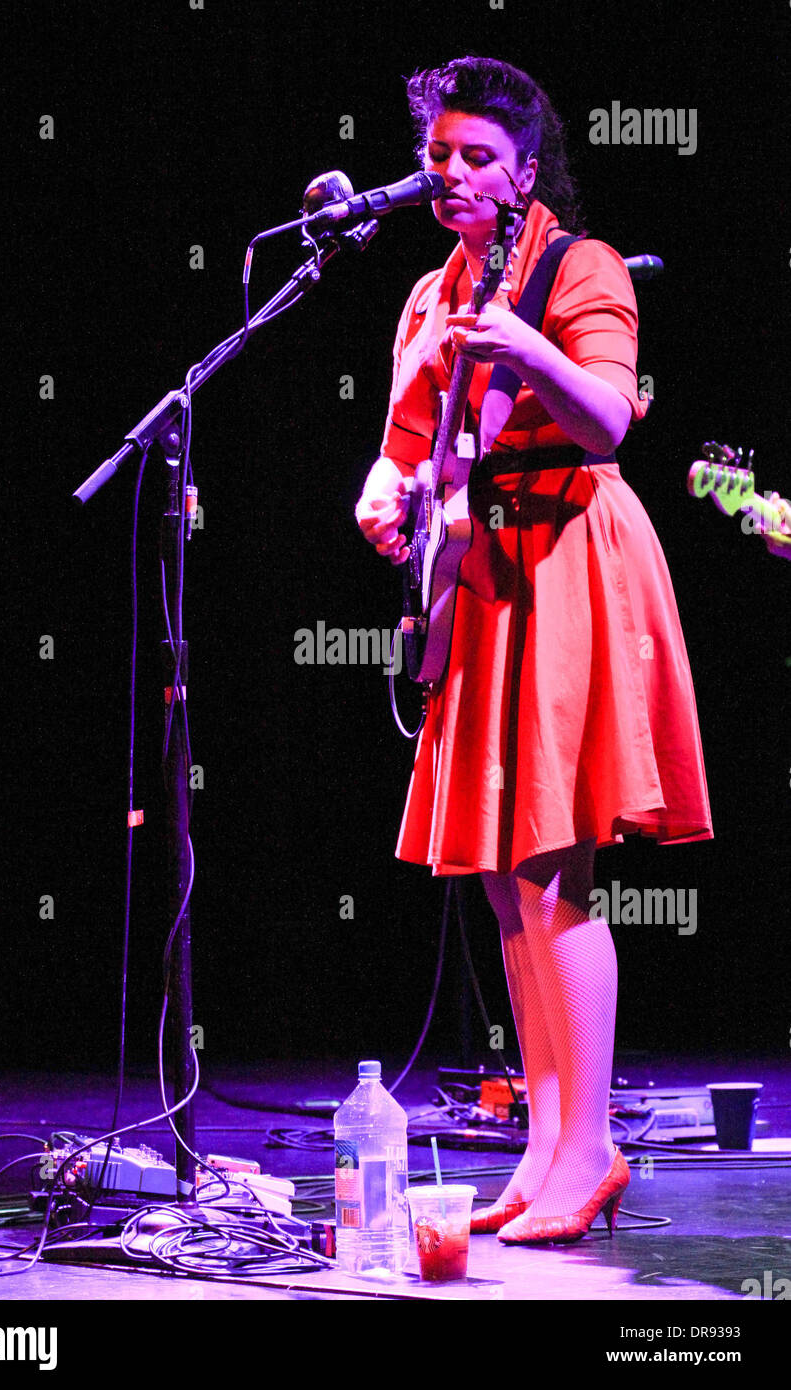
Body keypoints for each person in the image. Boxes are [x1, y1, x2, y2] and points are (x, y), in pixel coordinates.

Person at [355, 57, 713, 1245]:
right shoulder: (430, 289)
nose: (448, 174)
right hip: (483, 572)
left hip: (566, 550)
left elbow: (609, 415)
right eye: (436, 155)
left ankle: (594, 1142)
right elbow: (408, 439)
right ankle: (549, 1141)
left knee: (556, 869)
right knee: (510, 888)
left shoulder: (579, 267)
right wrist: (387, 486)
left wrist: (524, 346)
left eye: (474, 158)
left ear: (523, 172)